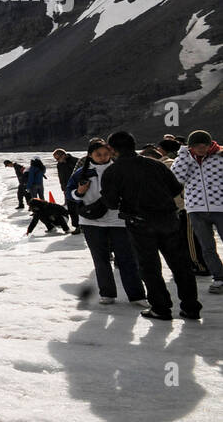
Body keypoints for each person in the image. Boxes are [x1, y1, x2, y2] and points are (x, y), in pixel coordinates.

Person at [101, 131, 201, 322]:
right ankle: (191, 307)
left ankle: (161, 308)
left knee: (149, 268)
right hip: (168, 219)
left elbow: (111, 203)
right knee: (181, 266)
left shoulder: (112, 172)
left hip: (140, 223)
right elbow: (176, 188)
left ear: (112, 149)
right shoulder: (155, 164)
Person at [67, 138, 147, 307]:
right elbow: (69, 193)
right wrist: (79, 192)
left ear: (111, 153)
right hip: (91, 221)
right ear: (90, 155)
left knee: (127, 259)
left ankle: (137, 295)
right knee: (100, 259)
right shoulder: (82, 172)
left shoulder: (119, 169)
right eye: (98, 154)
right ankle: (107, 294)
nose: (102, 157)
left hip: (118, 220)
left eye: (105, 154)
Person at [171, 129, 223, 295]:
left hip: (220, 206)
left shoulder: (220, 157)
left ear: (210, 144)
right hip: (196, 208)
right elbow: (175, 178)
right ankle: (219, 277)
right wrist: (184, 157)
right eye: (197, 146)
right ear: (190, 146)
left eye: (204, 145)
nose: (201, 149)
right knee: (207, 247)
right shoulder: (185, 159)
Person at [52, 148, 82, 233]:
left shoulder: (76, 161)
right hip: (67, 188)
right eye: (56, 159)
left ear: (64, 155)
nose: (57, 160)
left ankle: (83, 225)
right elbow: (61, 177)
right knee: (71, 208)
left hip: (77, 187)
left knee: (79, 207)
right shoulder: (59, 165)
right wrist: (63, 188)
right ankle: (76, 226)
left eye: (58, 158)